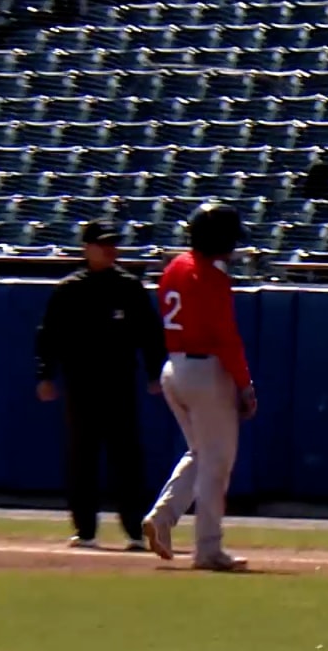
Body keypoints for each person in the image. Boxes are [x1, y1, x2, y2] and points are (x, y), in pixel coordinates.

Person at [34, 220, 166, 551]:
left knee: (127, 456)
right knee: (82, 456)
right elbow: (48, 336)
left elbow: (149, 334)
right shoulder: (69, 289)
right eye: (103, 243)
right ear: (87, 248)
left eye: (113, 243)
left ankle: (135, 530)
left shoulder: (128, 286)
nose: (110, 249)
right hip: (81, 384)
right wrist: (45, 375)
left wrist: (154, 373)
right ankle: (86, 529)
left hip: (120, 382)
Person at [141, 203, 258, 573]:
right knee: (217, 463)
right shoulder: (211, 278)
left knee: (202, 453)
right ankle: (208, 548)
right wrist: (245, 385)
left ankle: (163, 516)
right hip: (205, 370)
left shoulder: (175, 266)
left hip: (174, 367)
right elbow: (227, 339)